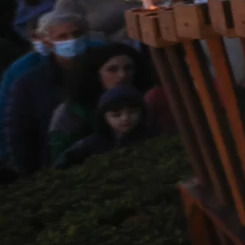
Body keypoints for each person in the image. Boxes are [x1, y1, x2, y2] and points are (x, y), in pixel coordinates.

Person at [3, 14, 97, 175]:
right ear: (48, 42)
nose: (72, 40)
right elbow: (20, 135)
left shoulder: (103, 68)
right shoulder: (29, 83)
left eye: (77, 34)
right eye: (62, 37)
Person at [46, 43, 147, 161]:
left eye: (128, 68)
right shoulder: (71, 111)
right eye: (112, 70)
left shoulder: (147, 99)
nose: (122, 75)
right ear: (96, 74)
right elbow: (61, 155)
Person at [54, 84, 153, 169]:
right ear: (104, 118)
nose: (125, 118)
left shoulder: (150, 137)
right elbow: (63, 162)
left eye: (132, 112)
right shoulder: (92, 143)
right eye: (116, 115)